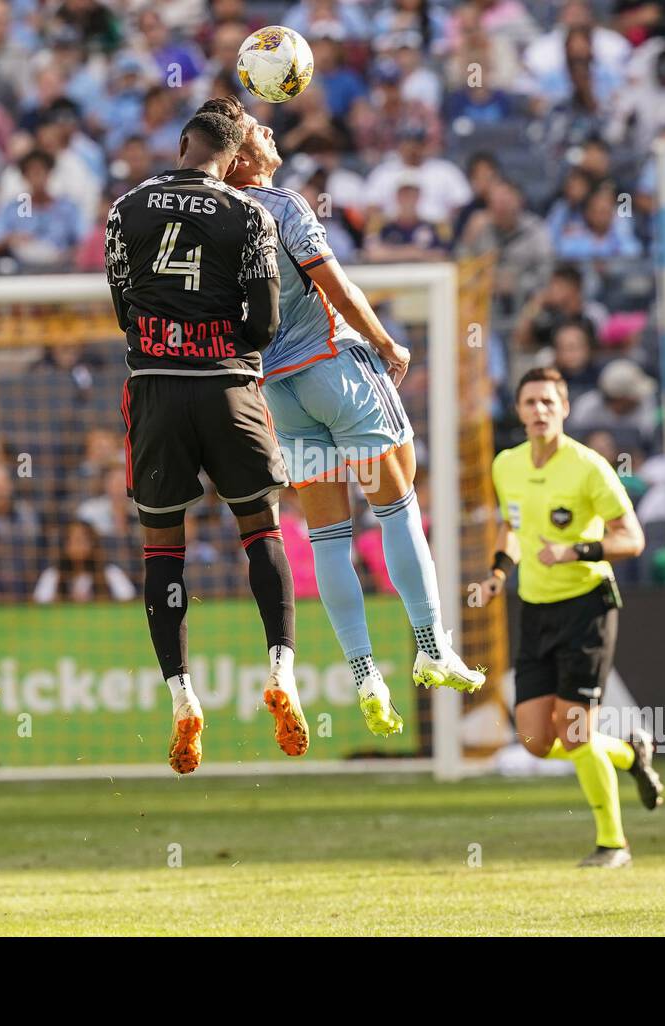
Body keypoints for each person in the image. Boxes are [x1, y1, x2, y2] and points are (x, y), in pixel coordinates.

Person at [208, 95, 485, 740]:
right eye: (258, 131)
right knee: (399, 504)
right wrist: (386, 342)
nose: (272, 130)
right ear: (244, 157)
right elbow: (339, 287)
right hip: (333, 363)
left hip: (277, 391)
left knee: (329, 536)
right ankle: (430, 645)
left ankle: (364, 675)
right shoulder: (284, 206)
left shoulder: (219, 222)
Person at [105, 110, 296, 774]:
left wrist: (169, 338)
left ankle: (183, 698)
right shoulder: (250, 216)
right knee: (261, 530)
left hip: (155, 391)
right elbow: (265, 322)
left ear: (184, 144)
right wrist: (220, 343)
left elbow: (124, 306)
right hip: (228, 389)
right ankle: (282, 672)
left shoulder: (126, 207)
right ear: (236, 152)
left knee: (163, 547)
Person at [477, 368, 663, 869]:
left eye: (548, 402)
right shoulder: (506, 465)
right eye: (530, 401)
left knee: (576, 732)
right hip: (535, 610)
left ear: (564, 409)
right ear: (517, 410)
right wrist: (498, 573)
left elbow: (633, 538)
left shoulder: (589, 467)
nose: (538, 410)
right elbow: (509, 526)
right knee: (537, 742)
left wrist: (578, 550)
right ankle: (627, 754)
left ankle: (613, 845)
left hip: (587, 606)